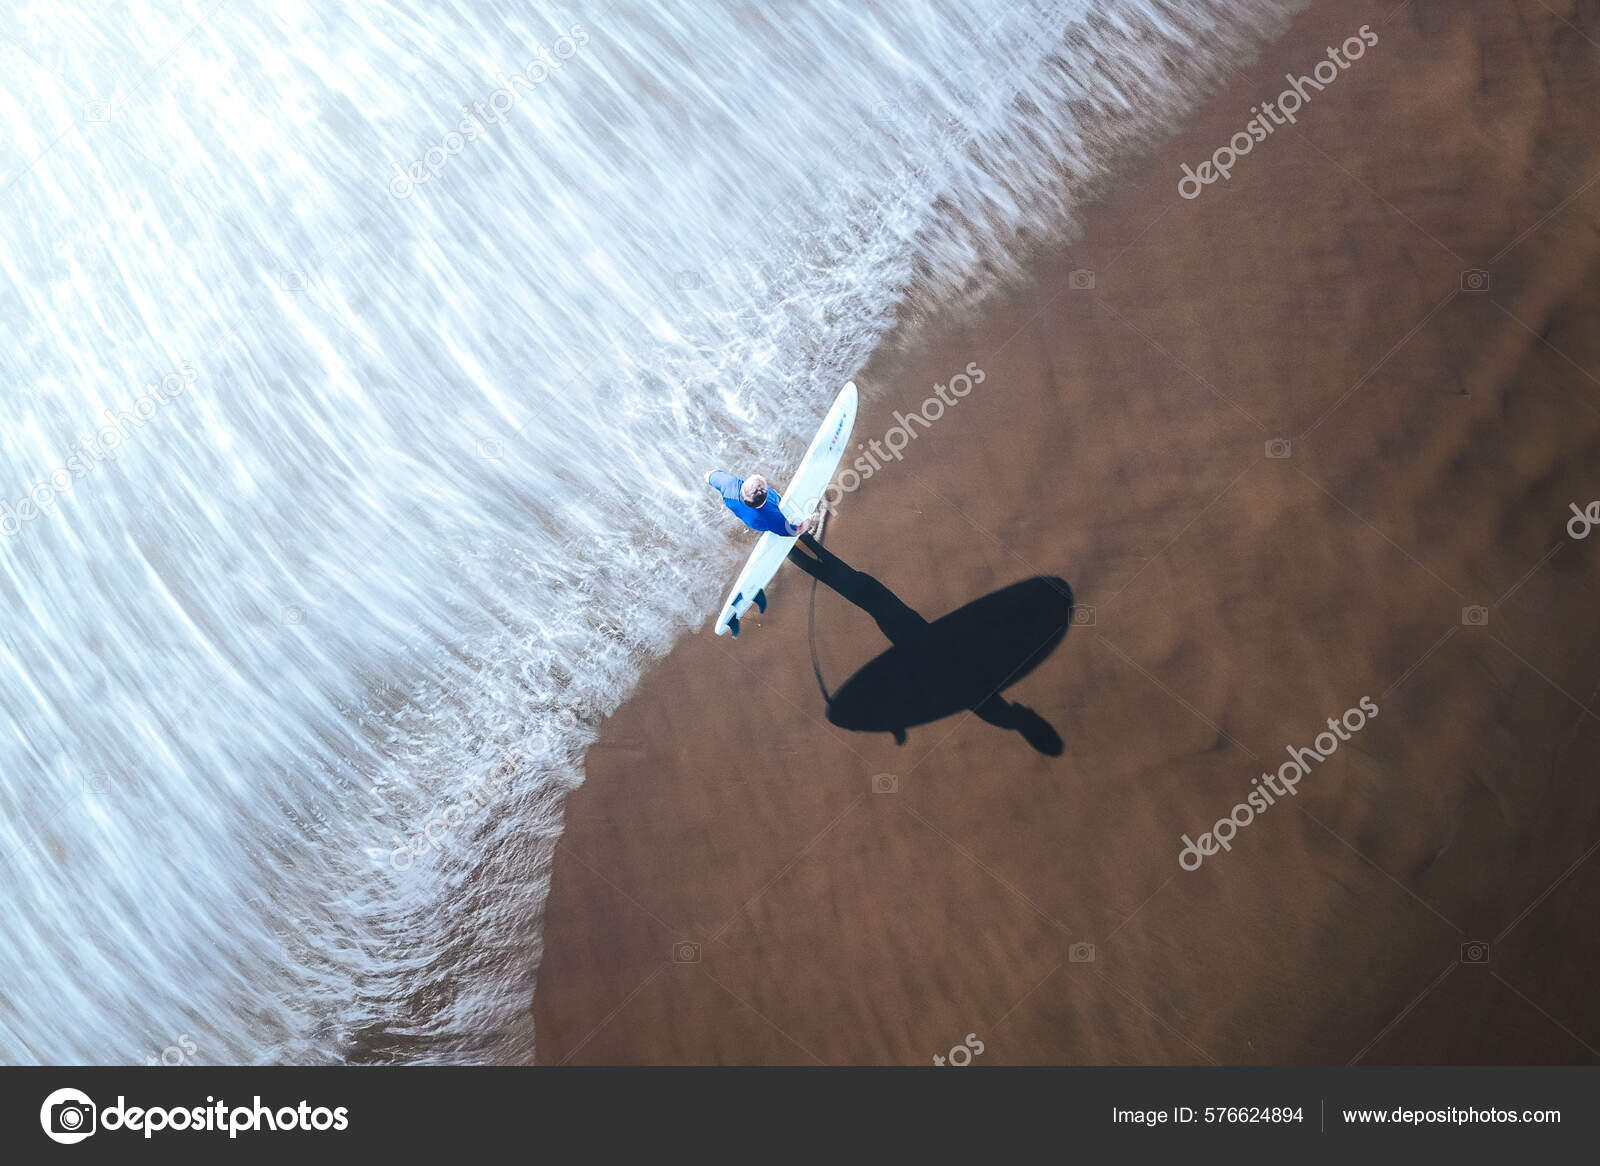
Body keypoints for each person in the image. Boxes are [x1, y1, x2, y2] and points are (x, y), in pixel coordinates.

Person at [703, 469, 815, 537]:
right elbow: (795, 531)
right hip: (764, 521)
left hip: (750, 519)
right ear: (766, 494)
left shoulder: (729, 484)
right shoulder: (771, 516)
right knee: (783, 525)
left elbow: (708, 475)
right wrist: (809, 519)